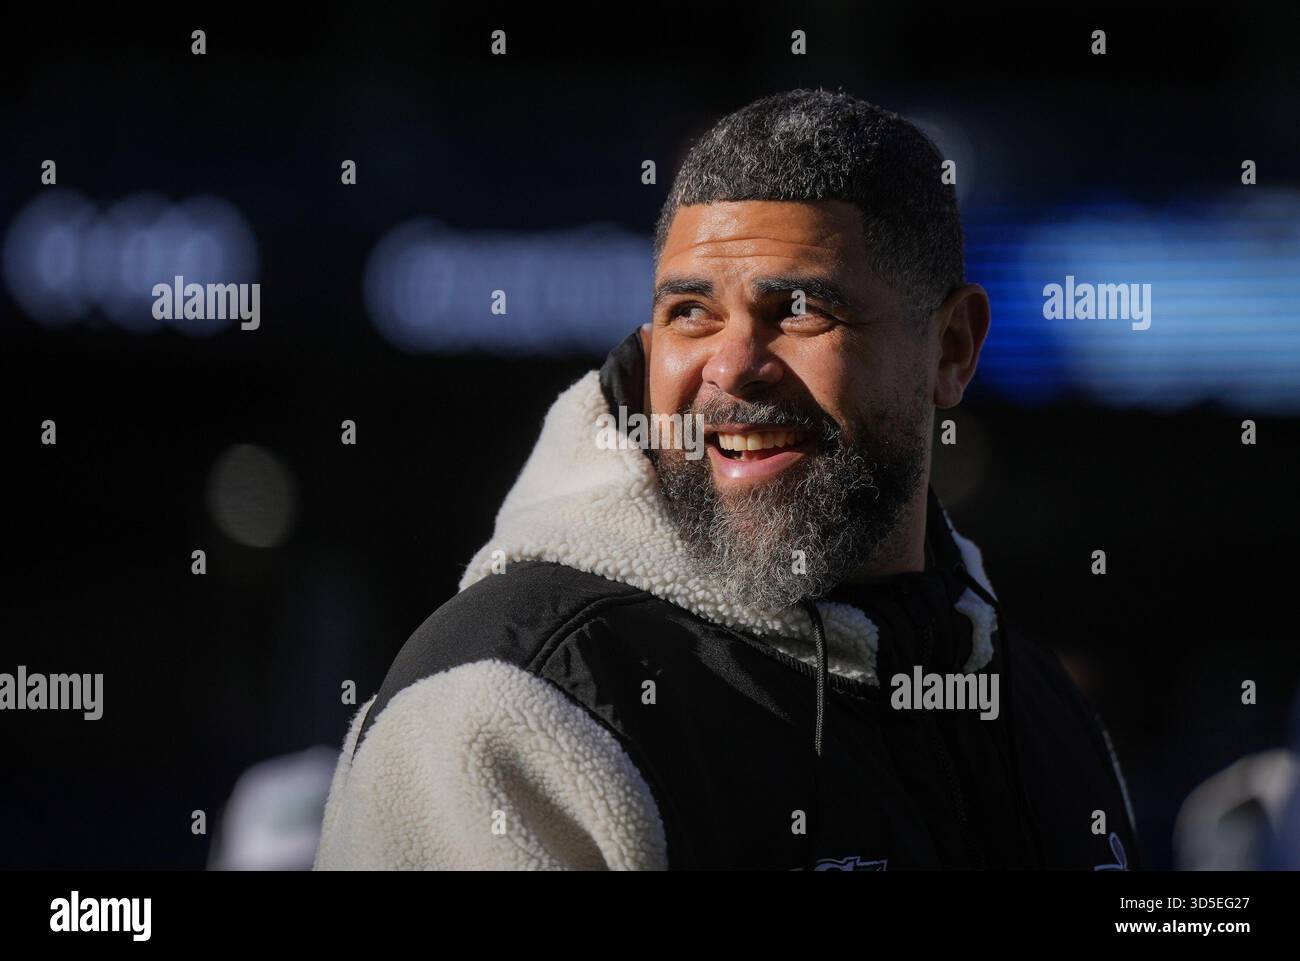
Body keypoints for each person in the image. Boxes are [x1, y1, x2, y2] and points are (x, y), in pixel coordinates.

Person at [313, 88, 1140, 870]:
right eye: (690, 313)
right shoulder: (501, 708)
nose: (734, 366)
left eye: (801, 309)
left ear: (953, 347)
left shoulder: (1036, 705)